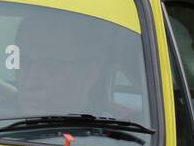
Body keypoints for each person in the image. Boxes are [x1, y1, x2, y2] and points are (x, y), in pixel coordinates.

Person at [12, 12, 143, 122]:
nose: (30, 82)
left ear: (88, 73)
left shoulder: (120, 141)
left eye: (51, 66)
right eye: (23, 62)